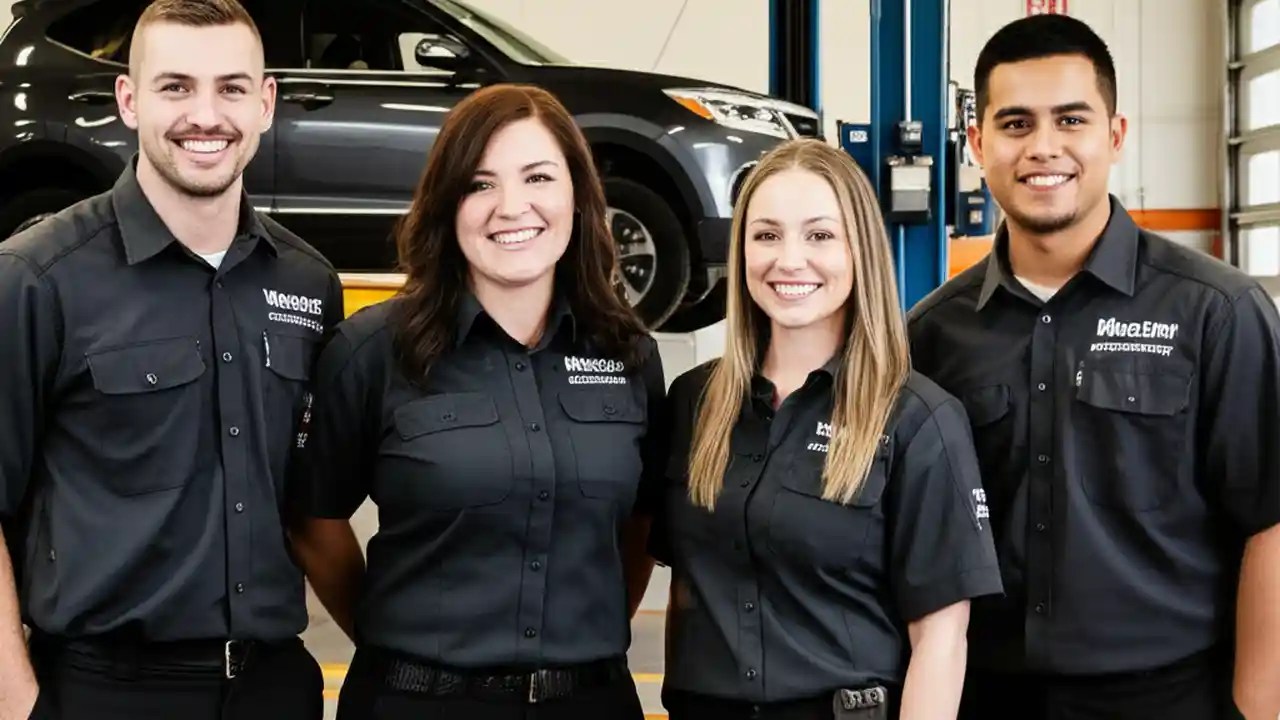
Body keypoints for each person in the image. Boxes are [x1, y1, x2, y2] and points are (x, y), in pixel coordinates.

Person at [907, 14, 1280, 720]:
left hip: (1170, 696)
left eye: (1070, 119)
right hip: (985, 695)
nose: (1044, 147)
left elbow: (1272, 520)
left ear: (1114, 135)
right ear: (979, 143)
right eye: (1016, 124)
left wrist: (1257, 707)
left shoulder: (1217, 312)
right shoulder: (931, 335)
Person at [0, 1, 343, 719]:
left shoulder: (308, 283)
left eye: (231, 87)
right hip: (106, 690)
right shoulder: (37, 279)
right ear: (129, 100)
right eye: (176, 86)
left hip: (273, 687)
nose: (206, 115)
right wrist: (18, 704)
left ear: (266, 103)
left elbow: (311, 508)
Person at [288, 82, 666, 720]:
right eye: (480, 184)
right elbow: (312, 520)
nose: (511, 207)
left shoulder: (629, 355)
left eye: (538, 177)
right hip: (416, 703)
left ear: (577, 194)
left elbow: (640, 526)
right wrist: (399, 643)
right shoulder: (372, 351)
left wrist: (576, 646)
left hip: (590, 702)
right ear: (446, 204)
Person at [649, 138, 1005, 720]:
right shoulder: (694, 402)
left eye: (819, 235)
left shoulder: (917, 419)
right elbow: (689, 589)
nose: (790, 260)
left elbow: (941, 639)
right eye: (766, 235)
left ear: (859, 250)